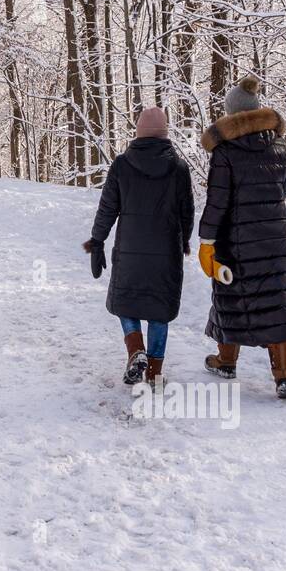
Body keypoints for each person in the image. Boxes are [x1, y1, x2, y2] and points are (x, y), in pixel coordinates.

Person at [197, 77, 286, 399]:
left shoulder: (225, 151)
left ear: (230, 115)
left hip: (237, 236)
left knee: (232, 295)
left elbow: (218, 201)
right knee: (279, 299)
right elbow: (284, 190)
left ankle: (226, 361)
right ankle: (283, 376)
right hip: (277, 235)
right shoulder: (280, 146)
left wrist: (206, 240)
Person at [83, 107, 194, 387]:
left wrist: (97, 241)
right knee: (160, 308)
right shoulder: (179, 169)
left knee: (126, 301)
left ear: (138, 132)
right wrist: (183, 240)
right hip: (166, 250)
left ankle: (136, 351)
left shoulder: (122, 165)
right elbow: (187, 212)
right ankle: (154, 374)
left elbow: (107, 208)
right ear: (165, 133)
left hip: (130, 249)